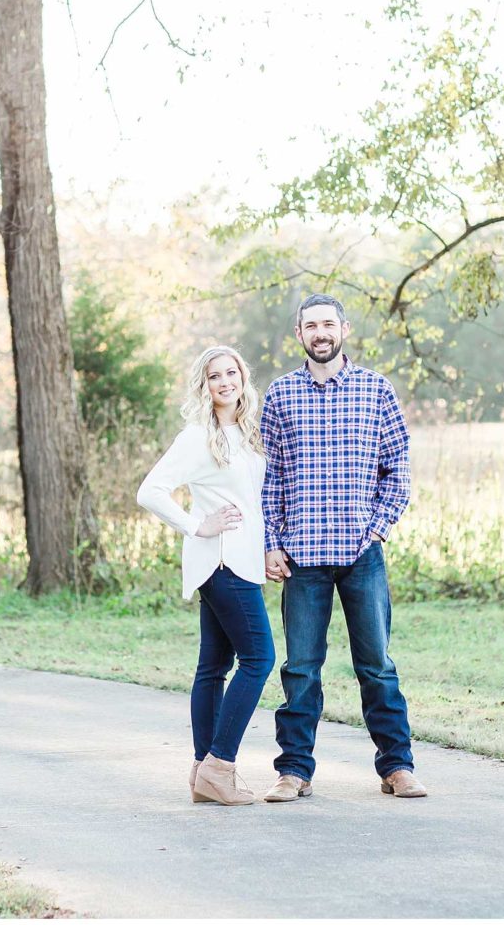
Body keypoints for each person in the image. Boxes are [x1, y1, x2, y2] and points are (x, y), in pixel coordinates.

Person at [260, 293, 428, 801]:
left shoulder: (376, 390)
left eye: (328, 324)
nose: (320, 333)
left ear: (344, 329)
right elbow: (269, 478)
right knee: (300, 669)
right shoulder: (280, 395)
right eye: (310, 326)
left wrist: (378, 528)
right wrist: (270, 543)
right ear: (299, 335)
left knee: (376, 664)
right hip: (302, 556)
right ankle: (294, 771)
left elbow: (398, 468)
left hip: (362, 554)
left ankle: (397, 767)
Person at [137, 344, 273, 806]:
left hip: (240, 559)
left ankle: (203, 773)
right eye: (214, 376)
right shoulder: (198, 435)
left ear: (242, 377)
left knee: (213, 667)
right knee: (258, 659)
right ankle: (220, 766)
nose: (224, 382)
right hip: (221, 559)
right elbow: (150, 491)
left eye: (231, 372)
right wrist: (197, 525)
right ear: (204, 384)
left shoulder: (247, 431)